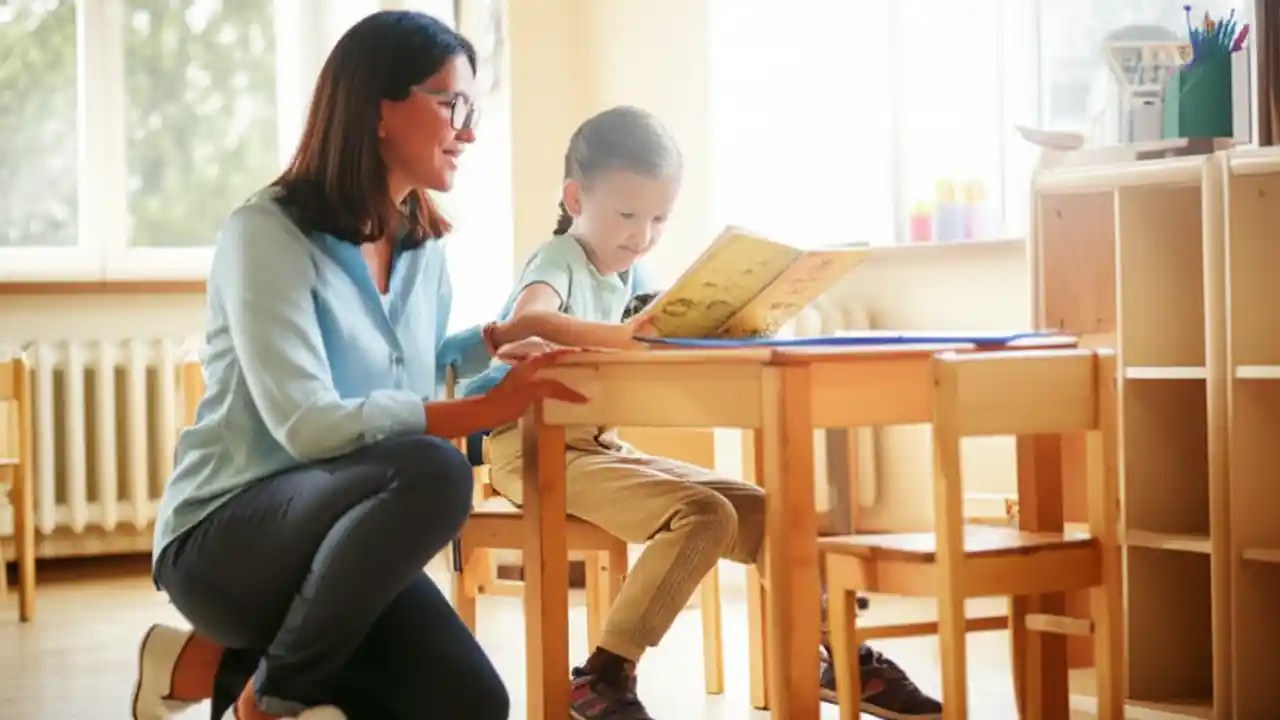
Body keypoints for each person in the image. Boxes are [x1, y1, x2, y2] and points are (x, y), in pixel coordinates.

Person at [130, 11, 587, 720]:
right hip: (228, 539)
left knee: (472, 703)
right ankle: (270, 702)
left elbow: (407, 382)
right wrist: (474, 413)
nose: (468, 130)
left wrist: (497, 347)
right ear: (378, 107)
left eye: (473, 108)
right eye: (451, 104)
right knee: (433, 468)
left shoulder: (423, 249)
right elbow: (309, 425)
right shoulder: (268, 233)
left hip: (340, 539)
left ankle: (209, 667)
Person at [462, 105, 944, 719]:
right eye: (628, 215)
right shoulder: (560, 257)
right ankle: (602, 676)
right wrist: (633, 332)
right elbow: (525, 321)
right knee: (703, 514)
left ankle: (836, 656)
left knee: (772, 511)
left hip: (597, 447)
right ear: (576, 198)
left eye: (660, 218)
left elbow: (656, 337)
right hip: (529, 448)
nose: (642, 234)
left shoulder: (638, 272)